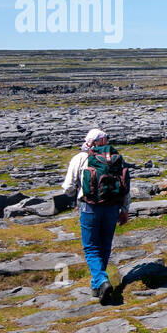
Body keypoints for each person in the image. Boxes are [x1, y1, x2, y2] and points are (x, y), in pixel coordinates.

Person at [60, 128, 131, 303]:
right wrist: (125, 209)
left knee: (91, 247)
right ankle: (97, 285)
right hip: (113, 207)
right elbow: (125, 186)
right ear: (104, 141)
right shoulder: (116, 158)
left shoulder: (80, 158)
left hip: (89, 207)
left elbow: (68, 186)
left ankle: (101, 280)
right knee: (105, 245)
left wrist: (76, 193)